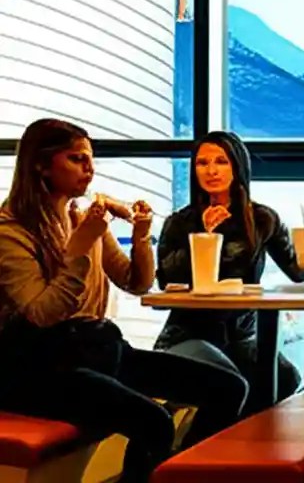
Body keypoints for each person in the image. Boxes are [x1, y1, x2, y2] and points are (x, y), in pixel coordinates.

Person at [0, 119, 248, 483]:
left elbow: (136, 282)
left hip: (92, 349)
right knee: (155, 423)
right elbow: (41, 314)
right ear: (40, 164)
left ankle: (174, 476)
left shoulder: (80, 219)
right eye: (76, 159)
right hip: (35, 368)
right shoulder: (11, 232)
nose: (90, 169)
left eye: (90, 159)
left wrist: (140, 234)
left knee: (229, 389)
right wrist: (81, 248)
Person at [155, 131, 304, 411]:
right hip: (188, 335)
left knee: (286, 380)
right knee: (232, 381)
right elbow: (166, 281)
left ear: (238, 166)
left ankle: (242, 449)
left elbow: (298, 274)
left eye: (221, 161)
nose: (211, 170)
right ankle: (193, 450)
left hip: (242, 337)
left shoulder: (262, 219)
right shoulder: (180, 222)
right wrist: (203, 235)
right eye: (202, 163)